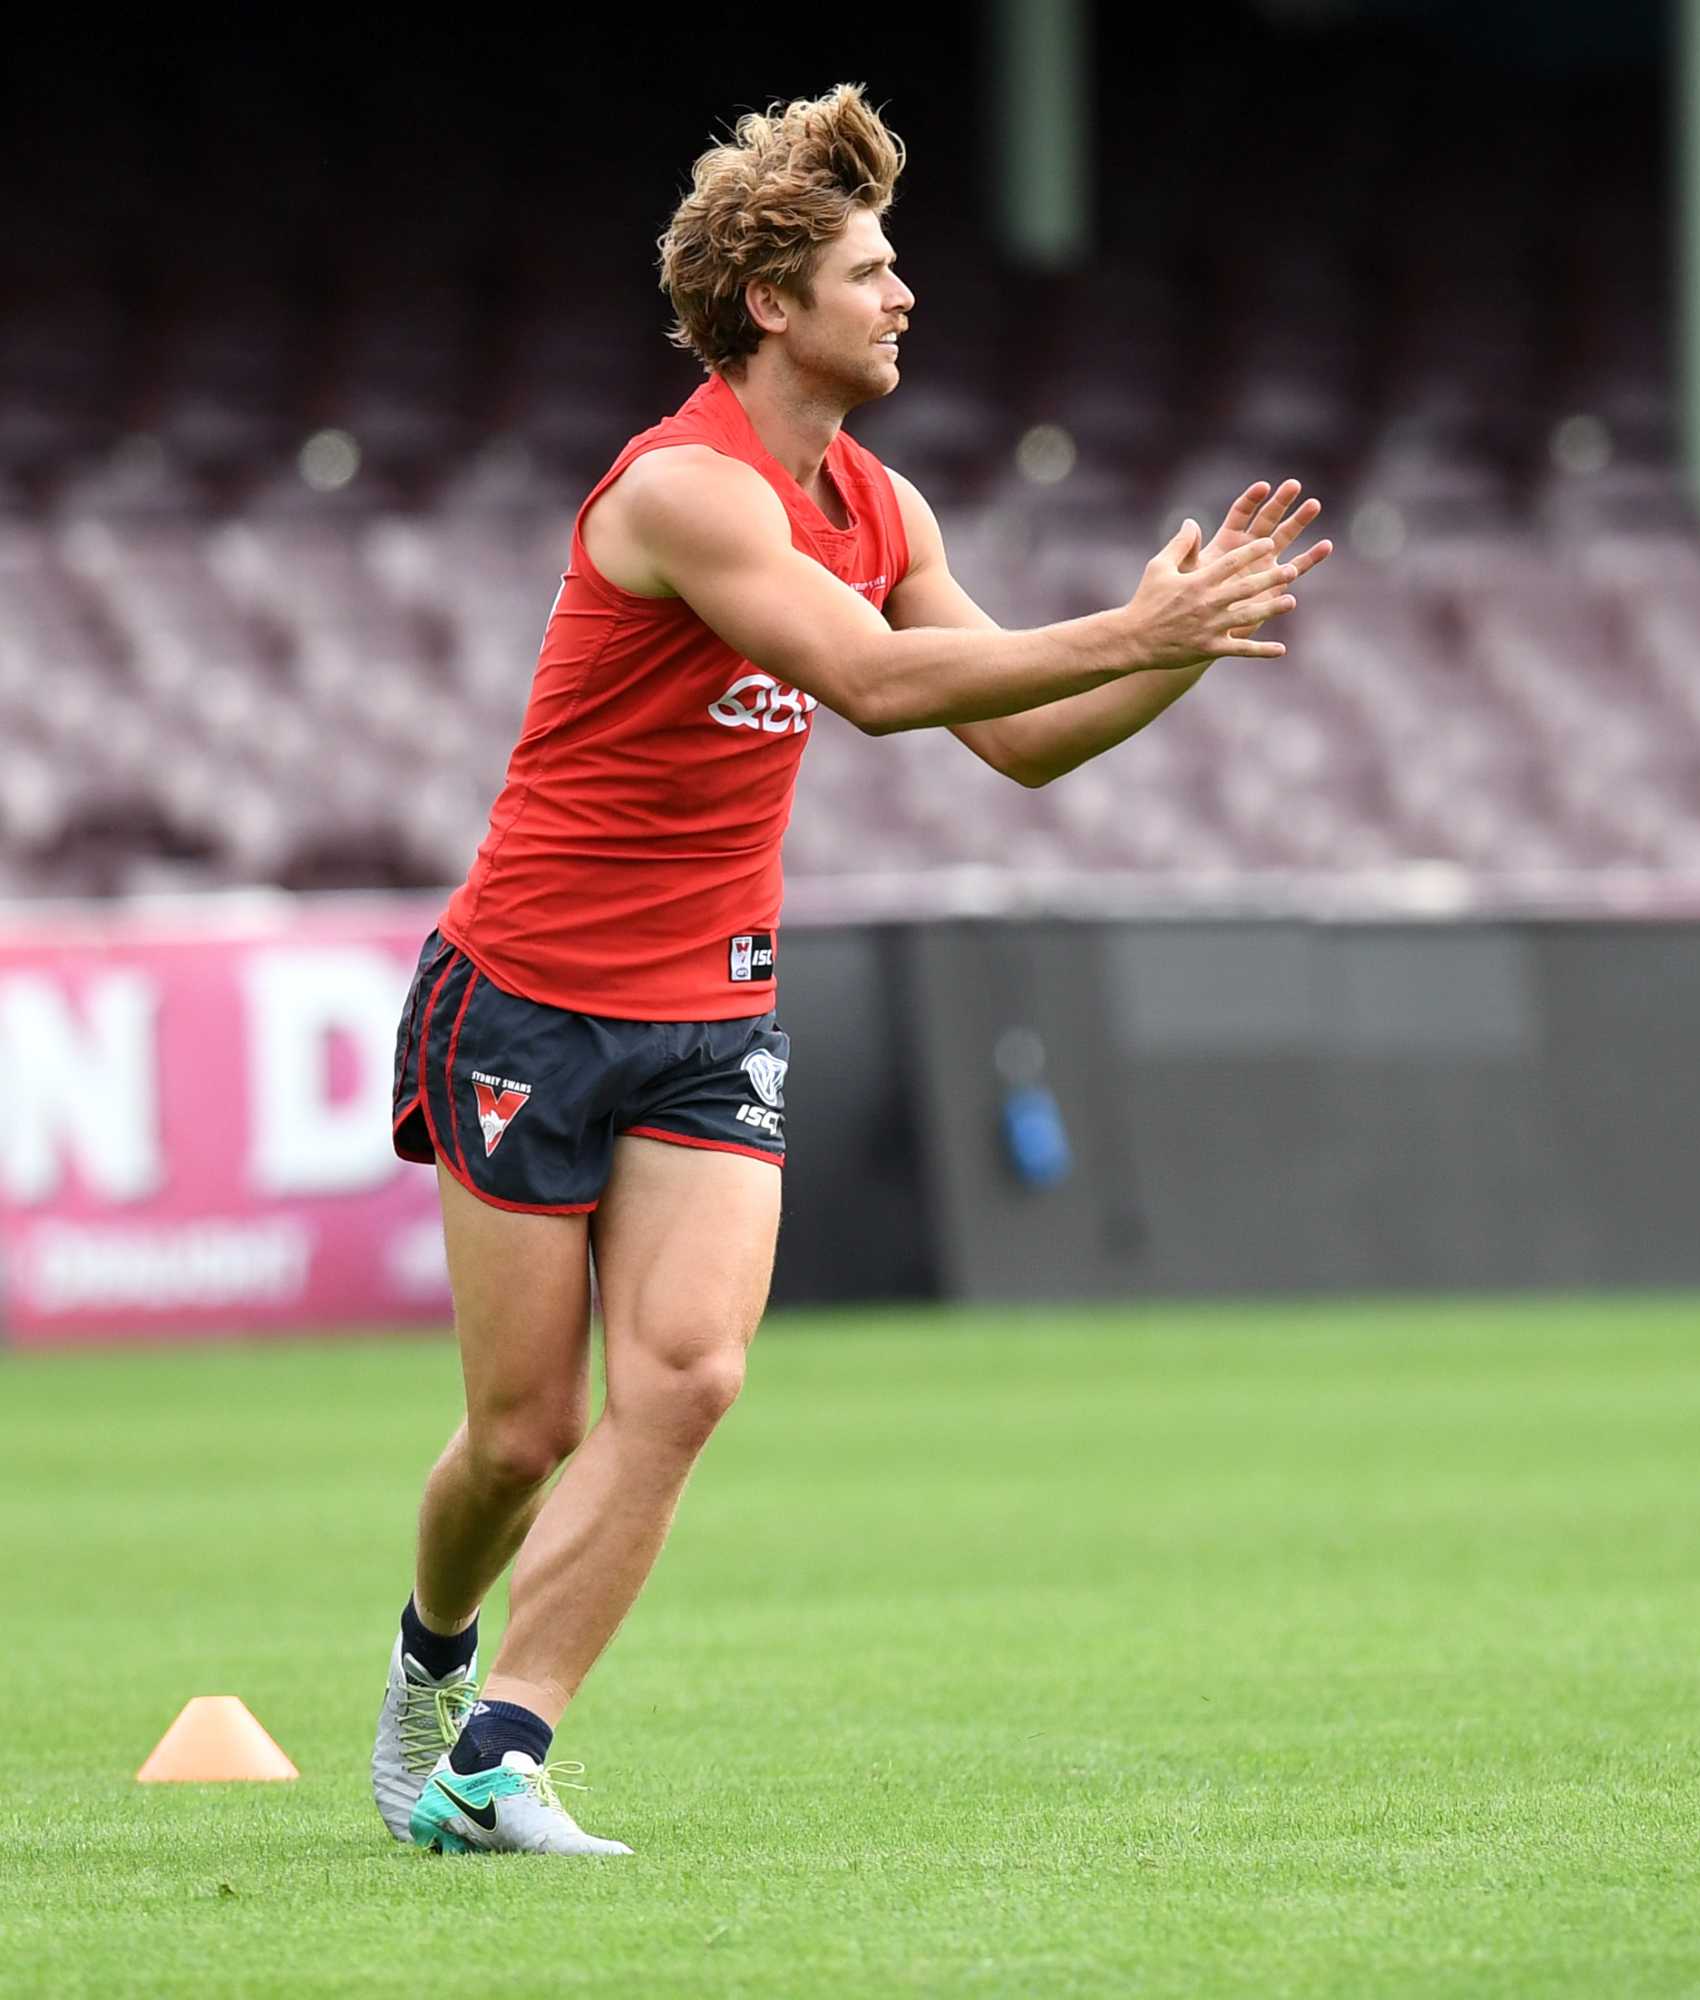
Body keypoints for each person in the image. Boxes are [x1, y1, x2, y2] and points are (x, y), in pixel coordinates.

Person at [371, 84, 1332, 1856]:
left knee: (692, 1378)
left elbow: (1020, 746)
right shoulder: (683, 490)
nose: (904, 300)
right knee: (518, 1439)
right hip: (526, 993)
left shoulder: (881, 507)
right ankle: (433, 1654)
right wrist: (1134, 623)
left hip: (712, 1007)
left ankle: (496, 1760)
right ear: (771, 303)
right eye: (873, 272)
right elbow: (881, 692)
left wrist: (1184, 650)